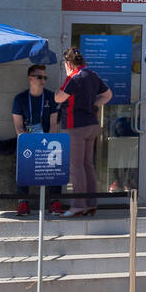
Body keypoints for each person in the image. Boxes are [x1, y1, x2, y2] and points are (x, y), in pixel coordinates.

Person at [53, 47, 112, 218]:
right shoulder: (92, 75)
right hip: (91, 125)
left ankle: (78, 205)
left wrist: (57, 92)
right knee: (88, 165)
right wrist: (95, 105)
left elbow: (59, 98)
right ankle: (91, 204)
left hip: (75, 127)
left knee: (76, 166)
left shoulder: (73, 77)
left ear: (68, 63)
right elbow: (108, 95)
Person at [12, 65, 65, 216]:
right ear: (30, 78)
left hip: (48, 141)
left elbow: (54, 123)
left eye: (45, 78)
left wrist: (47, 142)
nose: (43, 80)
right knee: (24, 158)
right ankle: (23, 202)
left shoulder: (50, 97)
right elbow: (18, 125)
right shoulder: (20, 99)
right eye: (39, 77)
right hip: (28, 141)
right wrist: (29, 142)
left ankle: (55, 201)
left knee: (56, 158)